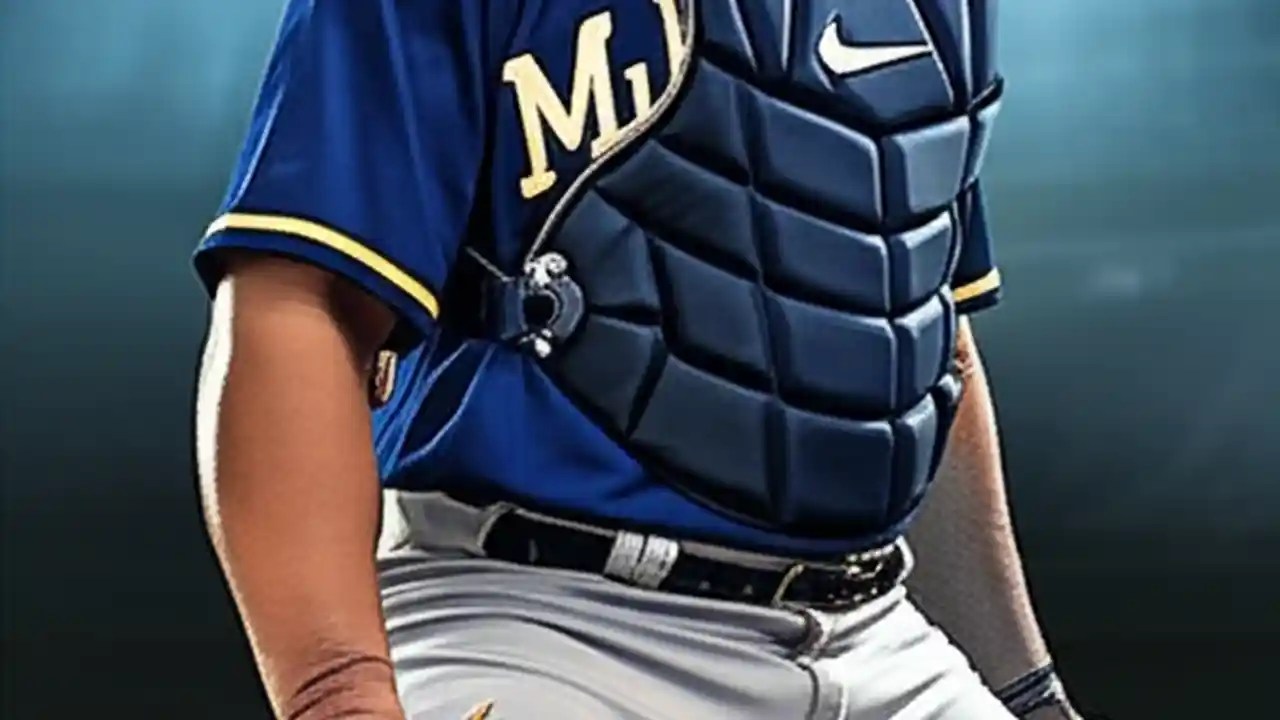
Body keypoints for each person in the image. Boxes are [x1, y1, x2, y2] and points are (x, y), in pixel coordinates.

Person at [193, 1, 1084, 718]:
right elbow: (295, 301)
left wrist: (1025, 692)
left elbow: (915, 341)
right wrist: (340, 696)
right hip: (545, 626)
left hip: (879, 634)